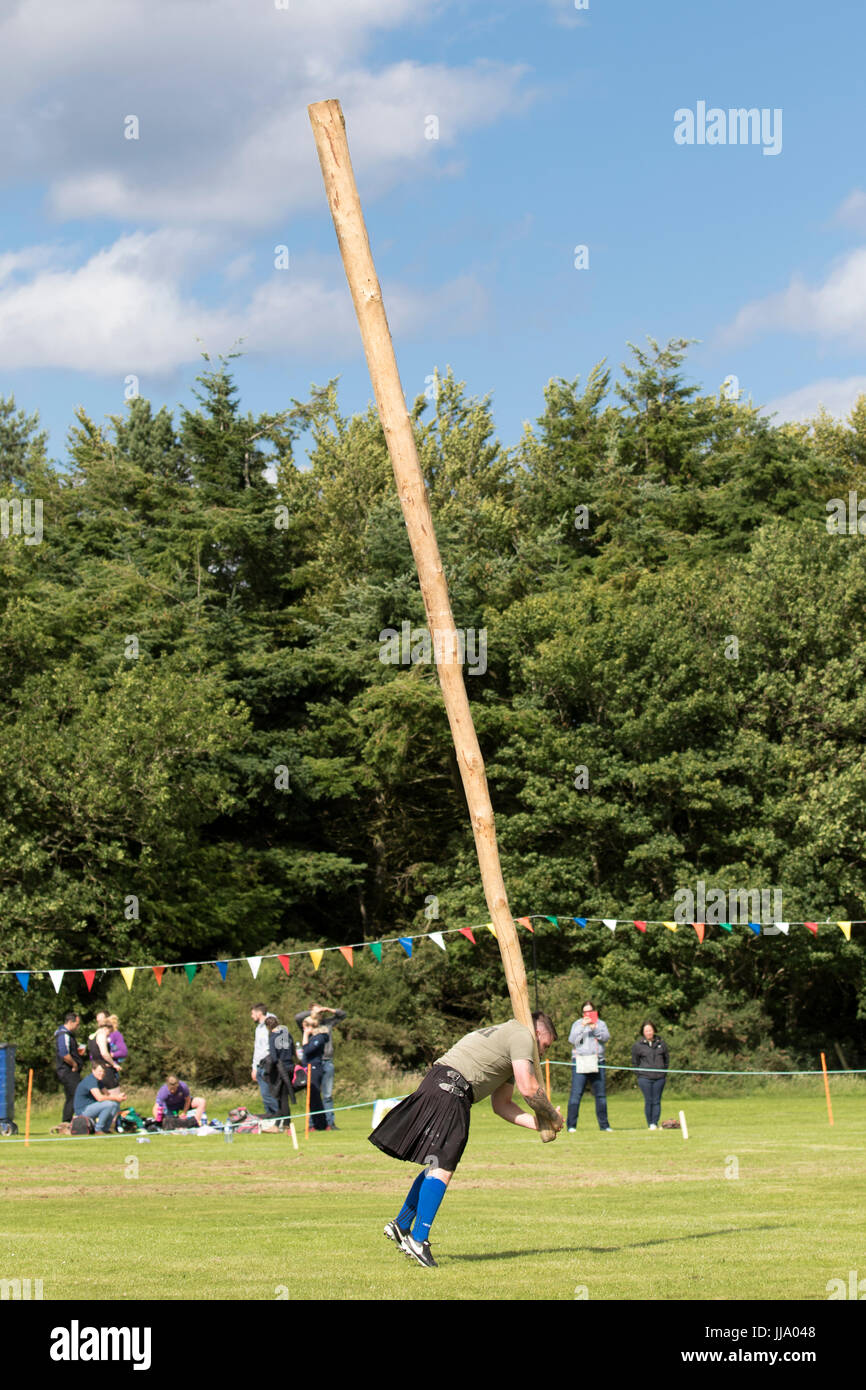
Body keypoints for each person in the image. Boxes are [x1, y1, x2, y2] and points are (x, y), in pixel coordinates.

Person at [370, 1012, 562, 1267]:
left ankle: (402, 1225)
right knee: (443, 1166)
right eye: (545, 1045)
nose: (542, 1053)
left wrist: (539, 1123)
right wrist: (552, 1114)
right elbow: (528, 1088)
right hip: (452, 1089)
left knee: (436, 1162)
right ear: (538, 1032)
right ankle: (418, 1240)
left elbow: (502, 1105)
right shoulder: (522, 1035)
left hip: (441, 1084)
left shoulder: (509, 1039)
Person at [295, 1003, 346, 1130]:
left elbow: (342, 1015)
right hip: (312, 1063)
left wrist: (328, 1009)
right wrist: (312, 1012)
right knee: (312, 1094)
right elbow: (297, 1017)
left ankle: (329, 1123)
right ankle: (313, 1124)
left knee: (327, 1095)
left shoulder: (327, 1024)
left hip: (327, 1061)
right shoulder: (308, 1024)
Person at [566, 1000, 612, 1133]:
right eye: (585, 1011)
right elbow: (572, 1039)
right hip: (580, 1061)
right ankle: (571, 1126)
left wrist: (594, 1027)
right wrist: (582, 1026)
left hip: (598, 1061)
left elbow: (605, 1037)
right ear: (582, 1013)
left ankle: (604, 1126)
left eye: (590, 1011)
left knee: (601, 1096)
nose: (588, 1013)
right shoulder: (577, 1024)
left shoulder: (601, 1024)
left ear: (594, 1011)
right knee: (576, 1095)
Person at [631, 1020, 669, 1129]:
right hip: (644, 1078)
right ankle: (650, 1123)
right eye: (646, 1030)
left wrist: (663, 1072)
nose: (648, 1032)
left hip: (659, 1078)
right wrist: (640, 1074)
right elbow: (635, 1062)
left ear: (654, 1030)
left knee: (657, 1100)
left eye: (650, 1030)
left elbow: (666, 1059)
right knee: (649, 1100)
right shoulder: (638, 1046)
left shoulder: (661, 1044)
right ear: (643, 1032)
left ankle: (655, 1122)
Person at [73, 1063, 126, 1134]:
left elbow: (108, 1094)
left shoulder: (99, 1081)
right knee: (109, 1104)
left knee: (115, 1104)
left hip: (91, 1107)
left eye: (103, 1071)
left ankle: (105, 1129)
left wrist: (119, 1096)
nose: (102, 1073)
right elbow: (99, 1098)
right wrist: (116, 1097)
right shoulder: (91, 1080)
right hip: (83, 1110)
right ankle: (98, 1129)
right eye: (99, 1071)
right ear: (93, 1071)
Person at [54, 1012, 86, 1123]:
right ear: (70, 1022)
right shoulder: (63, 1035)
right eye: (77, 1024)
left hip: (69, 1071)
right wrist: (74, 1064)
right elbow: (64, 1054)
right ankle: (67, 1122)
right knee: (75, 1095)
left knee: (72, 1096)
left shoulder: (66, 1034)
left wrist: (77, 1053)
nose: (78, 1027)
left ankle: (68, 1121)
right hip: (68, 1071)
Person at [298, 1019, 328, 1132]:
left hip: (314, 1068)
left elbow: (307, 1050)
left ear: (311, 1027)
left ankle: (320, 1124)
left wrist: (305, 1035)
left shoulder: (319, 1038)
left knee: (315, 1097)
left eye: (305, 1027)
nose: (304, 1030)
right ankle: (318, 1123)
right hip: (308, 1067)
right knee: (312, 1098)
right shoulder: (313, 1038)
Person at [250, 1003, 279, 1116]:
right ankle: (270, 1119)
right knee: (265, 1095)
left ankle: (280, 1117)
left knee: (269, 1094)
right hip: (260, 1065)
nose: (252, 1016)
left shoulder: (271, 1023)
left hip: (269, 1063)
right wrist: (254, 1068)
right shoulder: (258, 1028)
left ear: (259, 1013)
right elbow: (257, 1049)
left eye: (253, 1013)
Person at [264, 1014, 295, 1117]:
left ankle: (286, 1124)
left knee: (283, 1098)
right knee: (282, 1097)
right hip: (290, 1066)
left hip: (281, 1070)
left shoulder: (273, 1037)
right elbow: (293, 1051)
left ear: (268, 1027)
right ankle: (278, 1124)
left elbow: (274, 1057)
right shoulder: (287, 1034)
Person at [87, 1013, 120, 1088]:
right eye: (109, 1032)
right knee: (114, 1094)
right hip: (105, 1069)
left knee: (103, 1095)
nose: (109, 1034)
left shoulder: (92, 1036)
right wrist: (114, 1064)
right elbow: (104, 1053)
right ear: (106, 1028)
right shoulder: (102, 1035)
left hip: (96, 1069)